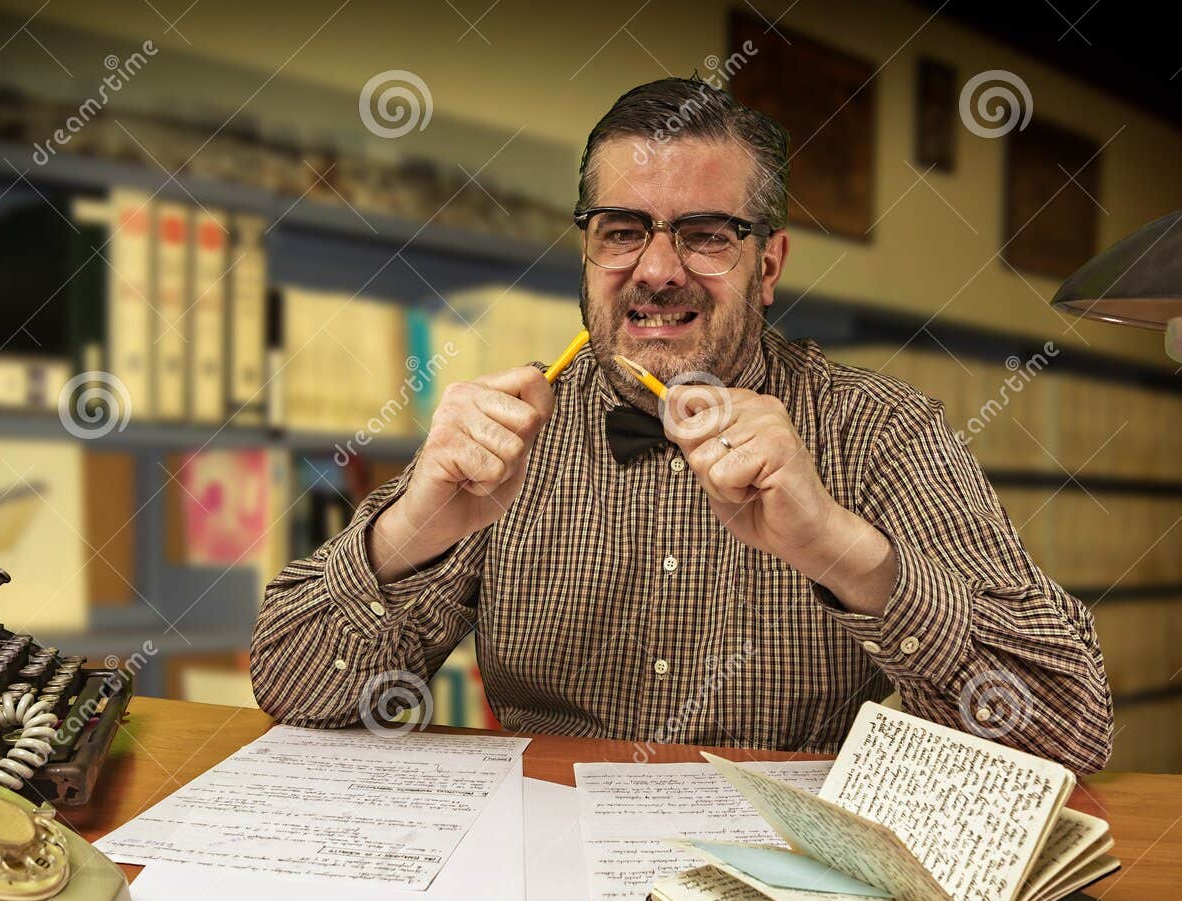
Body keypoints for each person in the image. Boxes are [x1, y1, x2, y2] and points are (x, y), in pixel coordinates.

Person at [251, 76, 1112, 773]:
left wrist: (840, 551)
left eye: (704, 235)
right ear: (587, 253)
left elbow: (1070, 731)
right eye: (622, 230)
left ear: (766, 265)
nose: (657, 270)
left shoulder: (883, 433)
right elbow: (289, 687)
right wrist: (412, 530)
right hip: (536, 882)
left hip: (785, 889)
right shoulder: (513, 428)